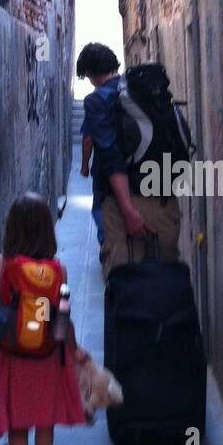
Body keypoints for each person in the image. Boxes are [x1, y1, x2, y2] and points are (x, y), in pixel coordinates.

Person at [0, 191, 88, 445]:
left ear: (11, 228)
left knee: (18, 421)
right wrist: (75, 349)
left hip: (13, 358)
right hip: (45, 359)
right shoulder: (59, 272)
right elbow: (63, 320)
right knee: (44, 422)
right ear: (46, 229)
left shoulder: (0, 266)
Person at [75, 42, 181, 279]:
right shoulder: (145, 90)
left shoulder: (98, 100)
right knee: (166, 286)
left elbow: (111, 156)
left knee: (126, 290)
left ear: (91, 74)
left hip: (122, 206)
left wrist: (129, 211)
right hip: (165, 204)